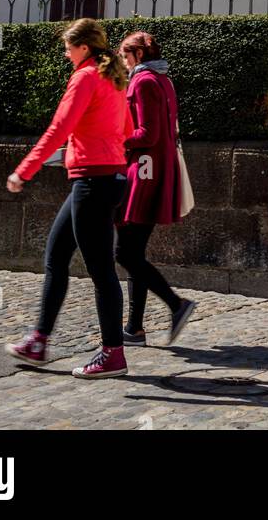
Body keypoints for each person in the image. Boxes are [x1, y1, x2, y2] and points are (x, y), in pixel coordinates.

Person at [5, 18, 132, 380]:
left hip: (93, 181)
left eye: (68, 46)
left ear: (85, 48)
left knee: (100, 271)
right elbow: (123, 129)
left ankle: (112, 354)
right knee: (56, 256)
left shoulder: (86, 77)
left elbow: (59, 127)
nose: (65, 53)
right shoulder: (113, 78)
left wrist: (24, 170)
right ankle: (38, 340)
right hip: (102, 177)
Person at [115, 30, 194, 346]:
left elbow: (147, 133)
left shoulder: (143, 81)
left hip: (143, 173)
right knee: (134, 252)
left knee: (125, 252)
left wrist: (115, 139)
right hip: (157, 171)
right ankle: (134, 329)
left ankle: (177, 305)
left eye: (123, 56)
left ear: (135, 55)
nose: (122, 63)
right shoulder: (164, 80)